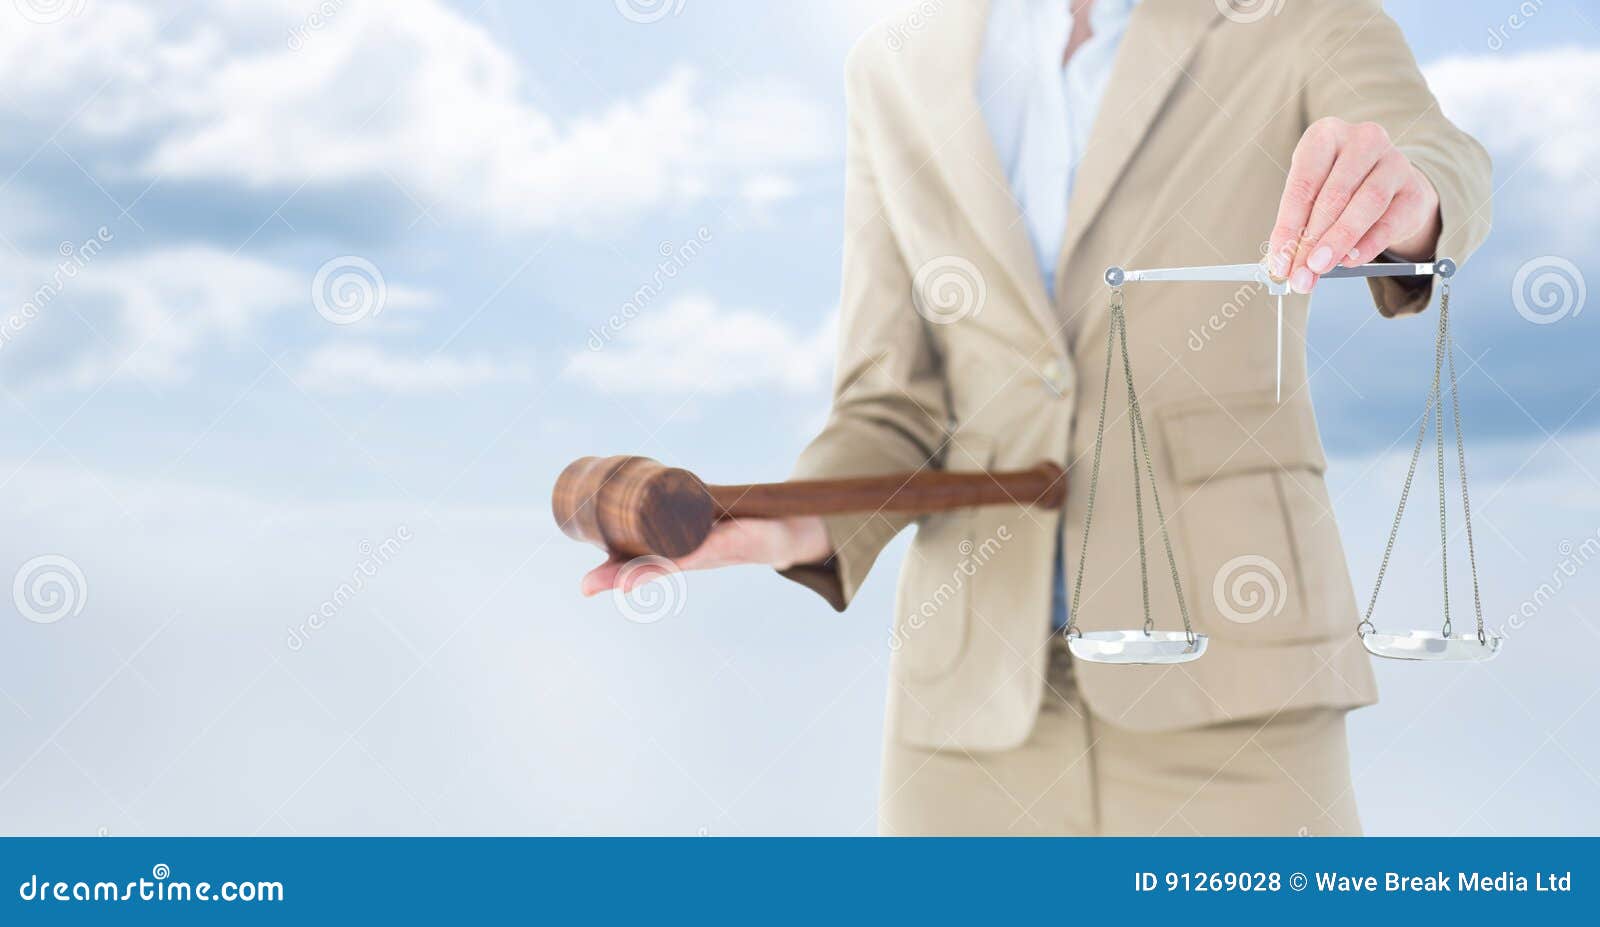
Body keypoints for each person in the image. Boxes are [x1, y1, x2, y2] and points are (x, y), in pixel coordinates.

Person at [582, 0, 1491, 835]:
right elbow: (894, 399)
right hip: (970, 707)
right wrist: (798, 523)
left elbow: (1437, 151)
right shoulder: (892, 63)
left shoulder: (1290, 16)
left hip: (1232, 679)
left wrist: (1410, 197)